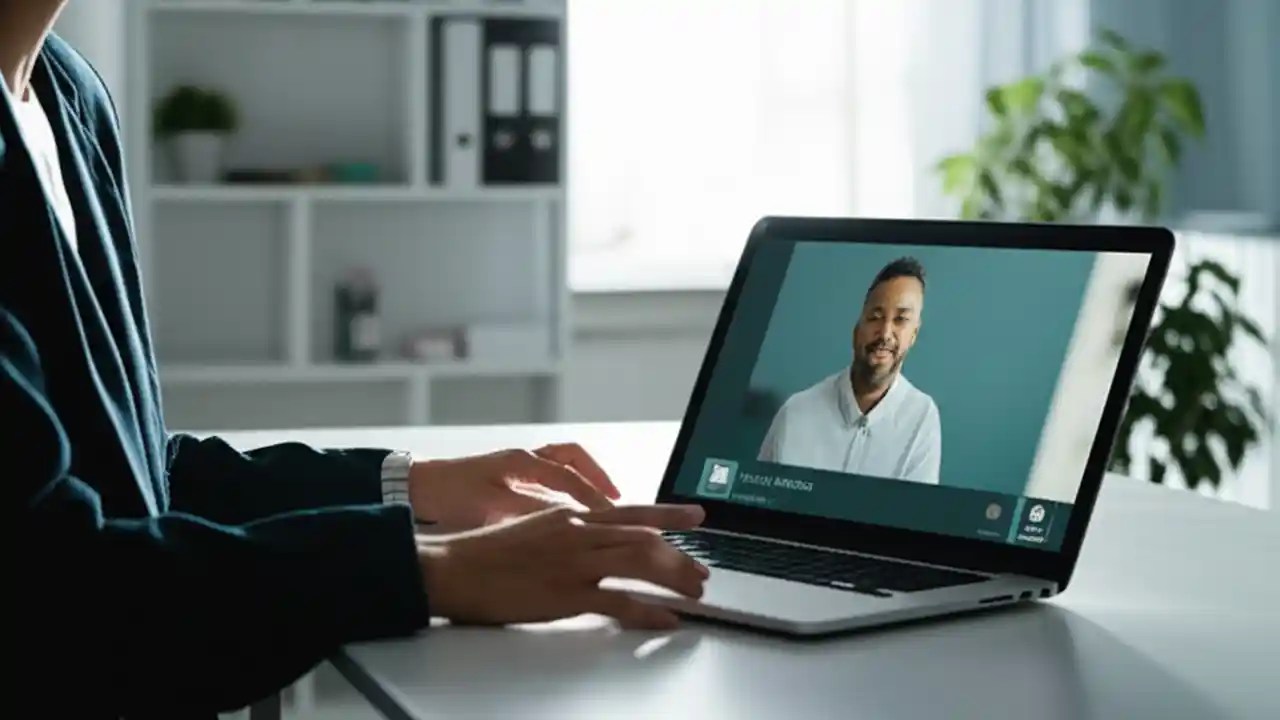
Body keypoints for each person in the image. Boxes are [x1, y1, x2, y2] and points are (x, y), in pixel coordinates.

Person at [2, 4, 706, 717]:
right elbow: (51, 601)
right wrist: (431, 570)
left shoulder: (68, 93)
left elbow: (136, 481)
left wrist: (408, 485)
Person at [758, 257, 942, 483]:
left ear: (913, 335)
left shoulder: (923, 417)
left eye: (901, 319)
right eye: (875, 317)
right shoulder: (795, 413)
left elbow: (914, 514)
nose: (885, 333)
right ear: (857, 329)